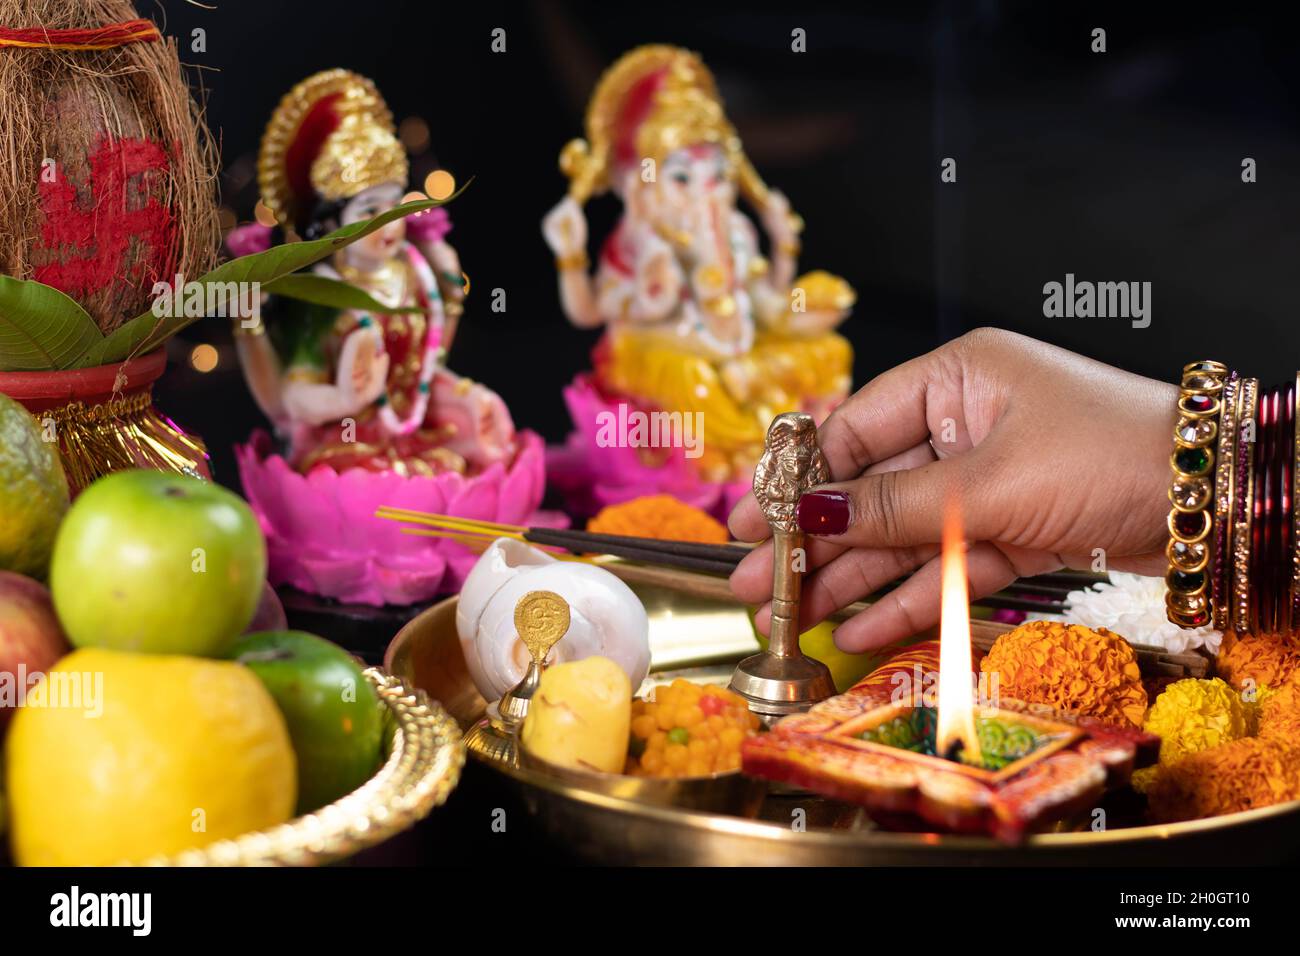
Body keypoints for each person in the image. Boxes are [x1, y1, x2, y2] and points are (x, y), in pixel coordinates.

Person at [728, 327, 1178, 651]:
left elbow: (864, 502)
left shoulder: (809, 460)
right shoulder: (781, 462)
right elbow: (770, 489)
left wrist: (1173, 469)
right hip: (791, 523)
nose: (800, 446)